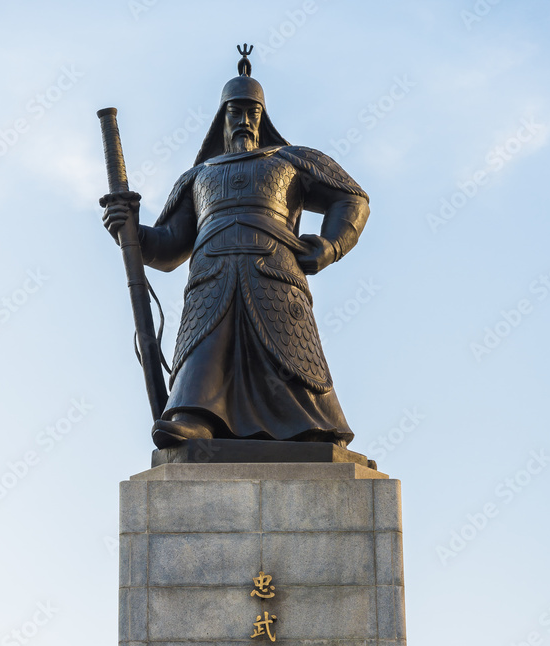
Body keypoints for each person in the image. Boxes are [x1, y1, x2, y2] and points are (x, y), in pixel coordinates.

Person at [102, 51, 370, 449]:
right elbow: (170, 245)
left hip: (274, 271)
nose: (244, 120)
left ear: (263, 118)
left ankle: (310, 425)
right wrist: (130, 230)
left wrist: (331, 245)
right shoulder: (197, 177)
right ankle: (194, 414)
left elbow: (352, 198)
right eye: (235, 112)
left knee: (288, 349)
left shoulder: (292, 160)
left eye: (251, 112)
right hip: (211, 273)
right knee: (205, 345)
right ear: (221, 118)